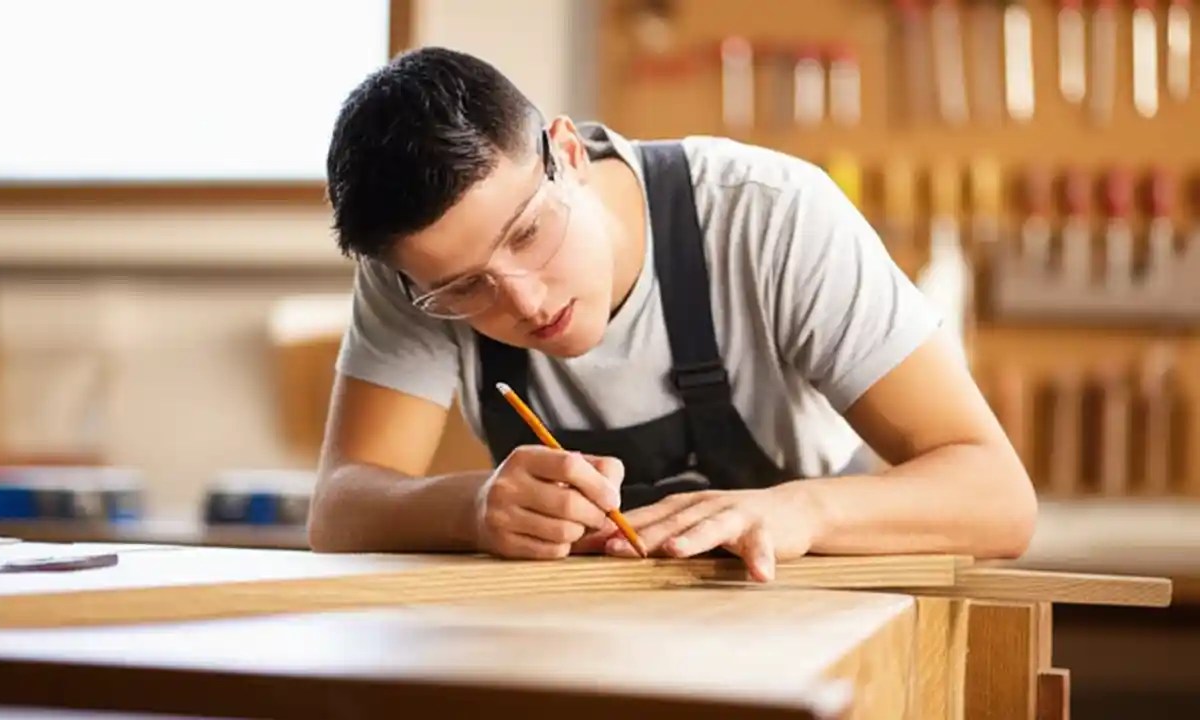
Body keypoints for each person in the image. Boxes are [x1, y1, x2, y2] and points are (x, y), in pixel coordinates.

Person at [308, 46, 1036, 580]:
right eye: (466, 290)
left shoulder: (771, 216)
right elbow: (339, 509)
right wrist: (469, 509)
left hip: (807, 617)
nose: (523, 301)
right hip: (586, 646)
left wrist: (802, 513)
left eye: (528, 234)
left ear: (567, 152)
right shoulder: (415, 272)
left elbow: (999, 500)